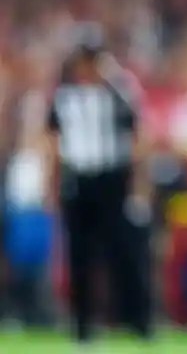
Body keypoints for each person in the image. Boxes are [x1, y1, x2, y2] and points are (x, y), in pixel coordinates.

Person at [46, 31, 153, 344]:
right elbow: (52, 142)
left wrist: (138, 185)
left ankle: (137, 321)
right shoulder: (64, 96)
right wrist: (52, 184)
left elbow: (137, 138)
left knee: (124, 252)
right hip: (79, 179)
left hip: (112, 179)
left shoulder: (119, 93)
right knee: (79, 255)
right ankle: (83, 327)